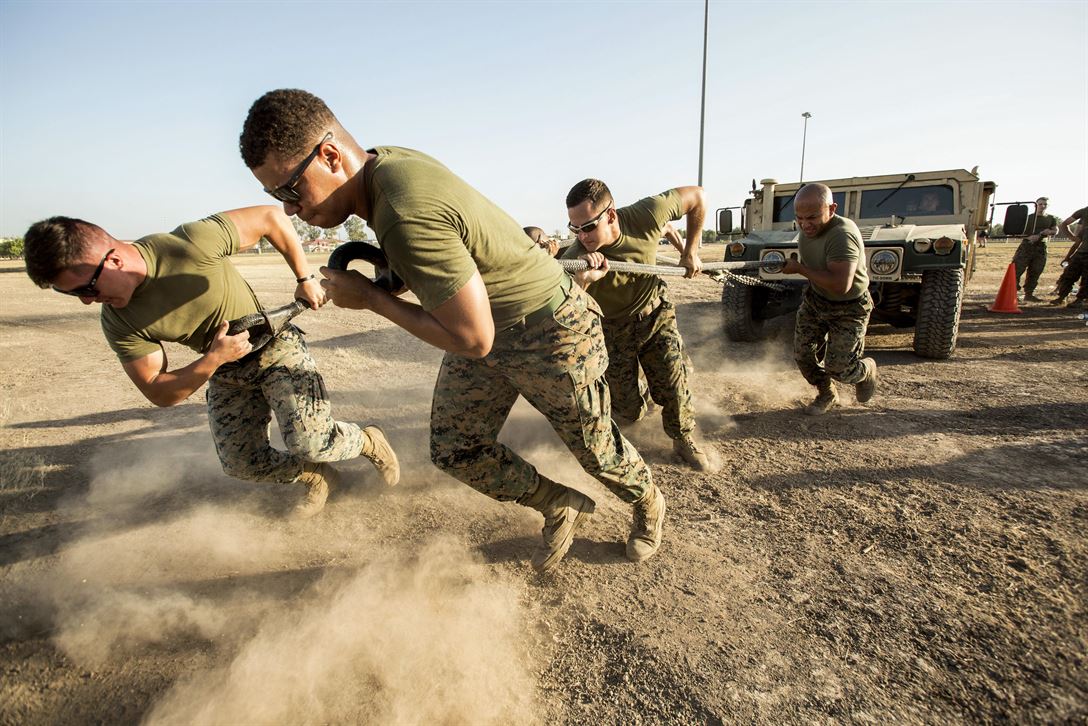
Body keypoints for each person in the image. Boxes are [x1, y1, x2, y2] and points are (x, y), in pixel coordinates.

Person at [238, 89, 665, 571]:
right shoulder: (385, 167)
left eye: (290, 191)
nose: (289, 209)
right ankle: (558, 503)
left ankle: (648, 502)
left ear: (331, 155)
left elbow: (471, 339)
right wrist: (391, 278)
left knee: (597, 452)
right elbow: (447, 260)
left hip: (551, 329)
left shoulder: (402, 208)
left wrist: (371, 299)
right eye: (276, 198)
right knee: (455, 446)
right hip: (493, 325)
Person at [21, 207, 400, 518]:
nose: (87, 301)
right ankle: (316, 477)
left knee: (310, 441)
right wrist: (213, 359)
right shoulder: (118, 319)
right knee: (242, 462)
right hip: (223, 367)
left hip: (275, 347)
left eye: (87, 289)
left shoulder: (187, 244)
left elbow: (272, 218)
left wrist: (303, 277)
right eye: (74, 296)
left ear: (114, 260)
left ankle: (367, 440)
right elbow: (157, 390)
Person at [561, 178, 714, 471]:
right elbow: (564, 310)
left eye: (588, 227)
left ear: (611, 215)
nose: (582, 236)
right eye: (574, 229)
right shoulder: (576, 258)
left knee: (671, 383)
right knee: (629, 410)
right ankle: (643, 390)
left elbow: (698, 196)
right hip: (613, 328)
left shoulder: (647, 213)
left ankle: (682, 438)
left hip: (655, 312)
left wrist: (691, 249)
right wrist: (584, 280)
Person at [780, 183, 878, 415]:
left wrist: (800, 269)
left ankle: (867, 369)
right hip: (816, 301)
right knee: (803, 356)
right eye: (799, 218)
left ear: (832, 208)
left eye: (812, 217)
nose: (805, 224)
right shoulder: (808, 230)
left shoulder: (842, 235)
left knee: (840, 369)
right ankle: (827, 394)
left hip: (850, 307)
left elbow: (840, 285)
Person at [1012, 197, 1060, 302]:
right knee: (1016, 270)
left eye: (1045, 204)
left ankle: (1029, 294)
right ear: (1036, 205)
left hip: (1041, 248)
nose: (1042, 206)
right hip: (1026, 246)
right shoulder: (1028, 218)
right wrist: (1028, 237)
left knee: (1036, 271)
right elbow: (1017, 232)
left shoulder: (1050, 218)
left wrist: (1049, 232)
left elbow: (1055, 230)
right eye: (1040, 204)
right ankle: (1012, 293)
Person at [1051, 205, 1088, 308]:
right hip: (1080, 254)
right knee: (1068, 276)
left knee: (1086, 279)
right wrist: (1067, 258)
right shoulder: (1085, 230)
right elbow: (1076, 243)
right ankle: (1061, 297)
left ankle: (1080, 299)